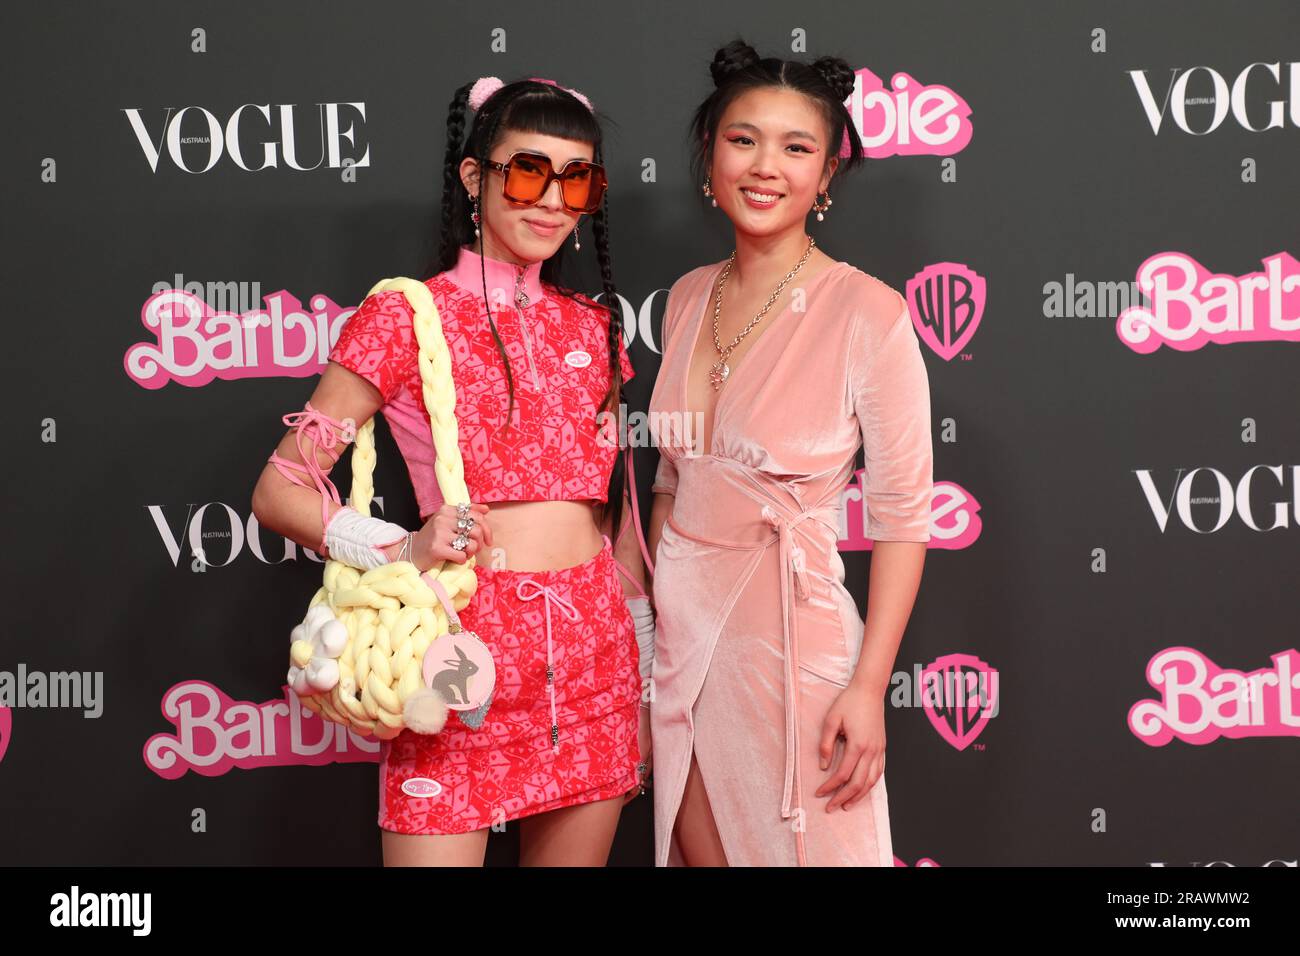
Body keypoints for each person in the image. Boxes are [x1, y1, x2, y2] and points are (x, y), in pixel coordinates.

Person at [251, 75, 656, 866]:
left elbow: (615, 522)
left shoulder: (598, 329)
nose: (552, 199)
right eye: (528, 170)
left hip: (593, 667)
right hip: (457, 661)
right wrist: (400, 548)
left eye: (578, 179)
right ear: (475, 177)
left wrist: (638, 670)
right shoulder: (404, 315)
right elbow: (279, 490)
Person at [645, 40, 934, 866]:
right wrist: (656, 612)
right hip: (683, 644)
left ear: (827, 173)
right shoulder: (687, 299)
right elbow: (673, 471)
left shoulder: (867, 314)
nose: (765, 166)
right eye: (743, 140)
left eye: (796, 147)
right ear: (711, 155)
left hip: (794, 648)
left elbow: (904, 519)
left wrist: (868, 688)